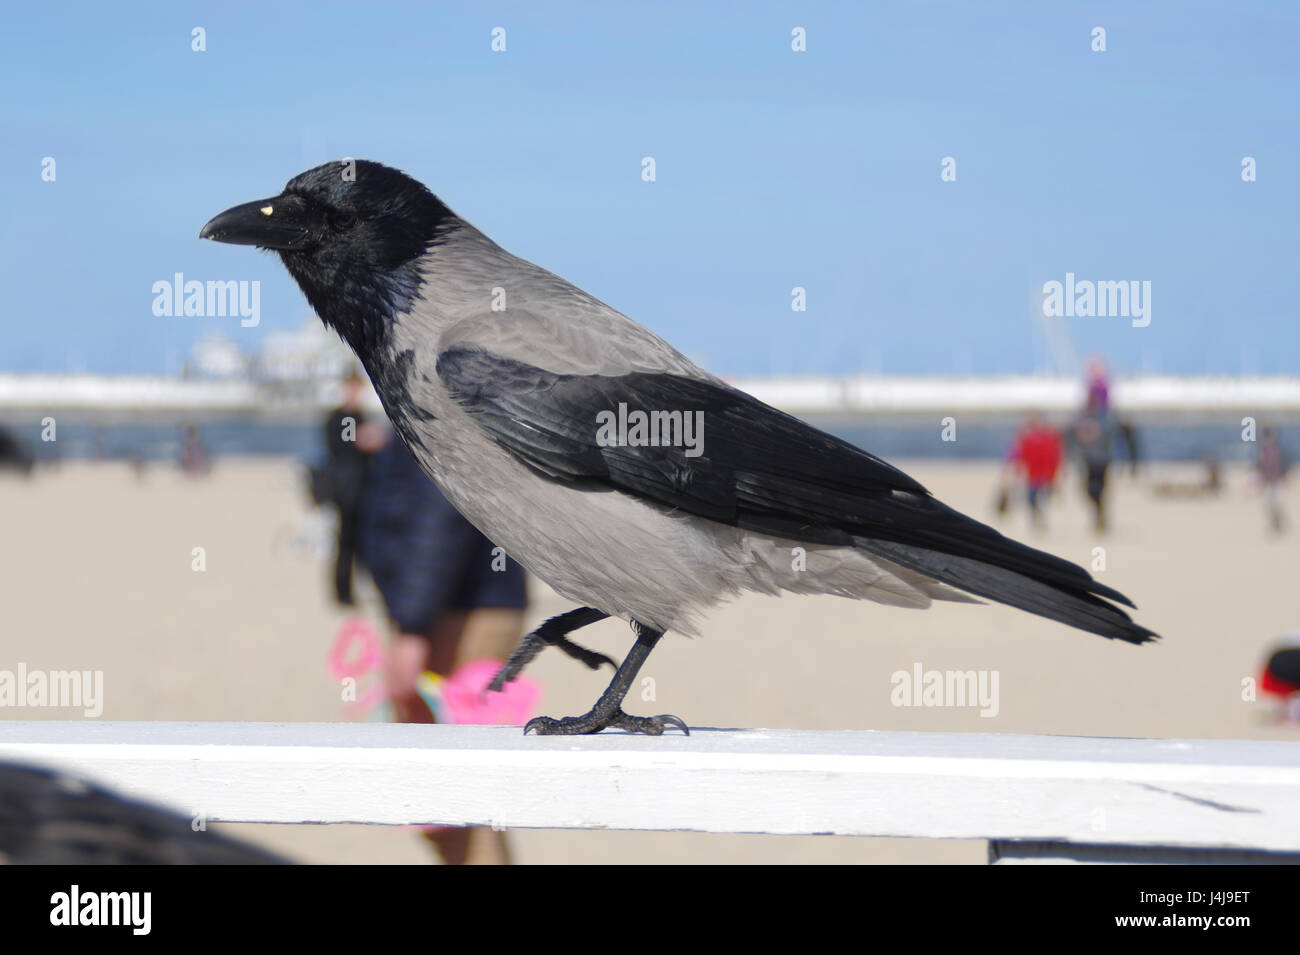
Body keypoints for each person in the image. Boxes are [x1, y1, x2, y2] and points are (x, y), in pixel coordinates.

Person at [357, 429, 528, 865]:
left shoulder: (435, 400)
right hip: (457, 606)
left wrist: (413, 627)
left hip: (461, 613)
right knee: (453, 792)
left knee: (451, 791)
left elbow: (440, 513)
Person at [321, 371, 374, 605]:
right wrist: (361, 440)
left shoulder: (360, 415)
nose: (356, 393)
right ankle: (342, 594)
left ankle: (359, 591)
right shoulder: (337, 417)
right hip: (345, 488)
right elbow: (339, 448)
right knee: (345, 543)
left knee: (363, 543)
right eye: (353, 388)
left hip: (363, 487)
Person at [1069, 393, 1118, 533]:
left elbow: (1111, 437)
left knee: (1100, 490)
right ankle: (1098, 512)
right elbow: (1073, 440)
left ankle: (1100, 516)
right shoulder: (1080, 420)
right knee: (1088, 490)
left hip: (1102, 461)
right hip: (1087, 461)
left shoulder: (1105, 420)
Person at [1005, 413, 1063, 530]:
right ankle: (1036, 518)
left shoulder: (1048, 439)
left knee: (1042, 498)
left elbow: (1053, 458)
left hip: (1044, 475)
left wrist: (1052, 475)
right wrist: (1018, 471)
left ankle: (1040, 519)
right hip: (1032, 475)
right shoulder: (1028, 439)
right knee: (1031, 499)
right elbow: (1022, 457)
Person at [1258, 426, 1288, 534]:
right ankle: (1275, 523)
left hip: (1273, 480)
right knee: (1270, 503)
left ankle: (1277, 523)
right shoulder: (1266, 449)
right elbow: (1262, 466)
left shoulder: (1272, 449)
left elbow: (1280, 464)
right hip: (1270, 480)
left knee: (1275, 503)